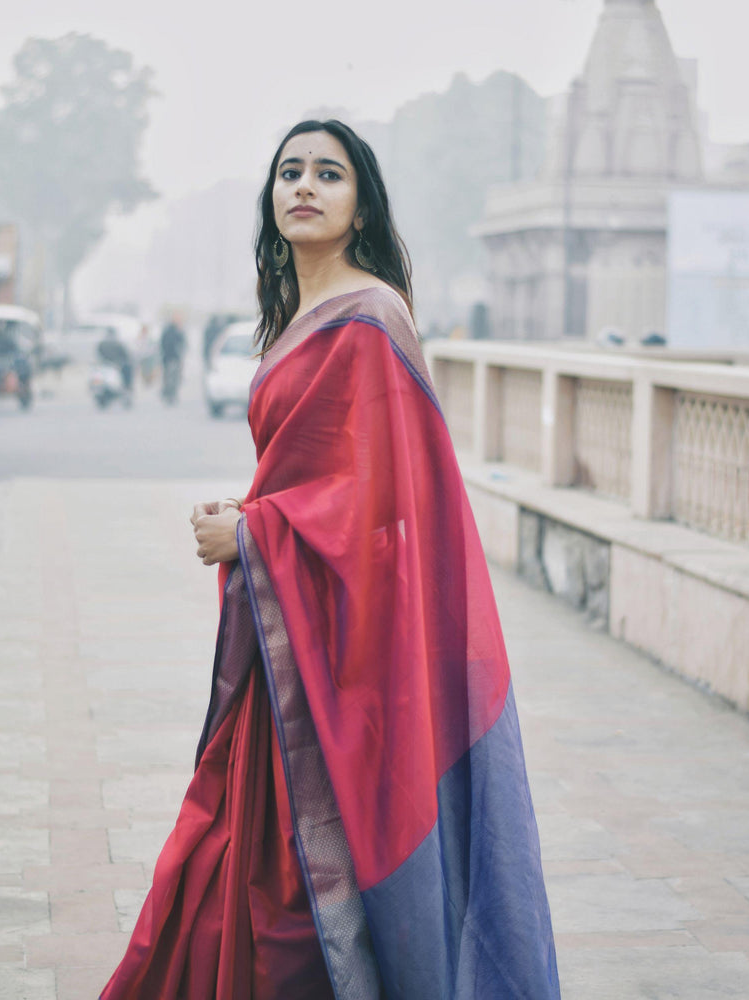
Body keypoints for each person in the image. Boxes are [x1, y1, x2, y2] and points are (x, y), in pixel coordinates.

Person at [99, 119, 560, 999]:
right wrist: (257, 516)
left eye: (329, 174)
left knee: (302, 892)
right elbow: (323, 475)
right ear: (272, 200)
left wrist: (255, 536)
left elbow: (389, 499)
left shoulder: (372, 316)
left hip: (349, 650)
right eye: (290, 172)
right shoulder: (296, 318)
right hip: (298, 641)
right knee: (230, 860)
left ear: (359, 206)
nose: (304, 186)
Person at [159, 316, 186, 403]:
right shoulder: (178, 333)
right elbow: (183, 344)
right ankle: (172, 394)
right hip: (174, 358)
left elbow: (161, 345)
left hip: (167, 358)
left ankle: (169, 393)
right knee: (174, 378)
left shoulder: (166, 332)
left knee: (168, 377)